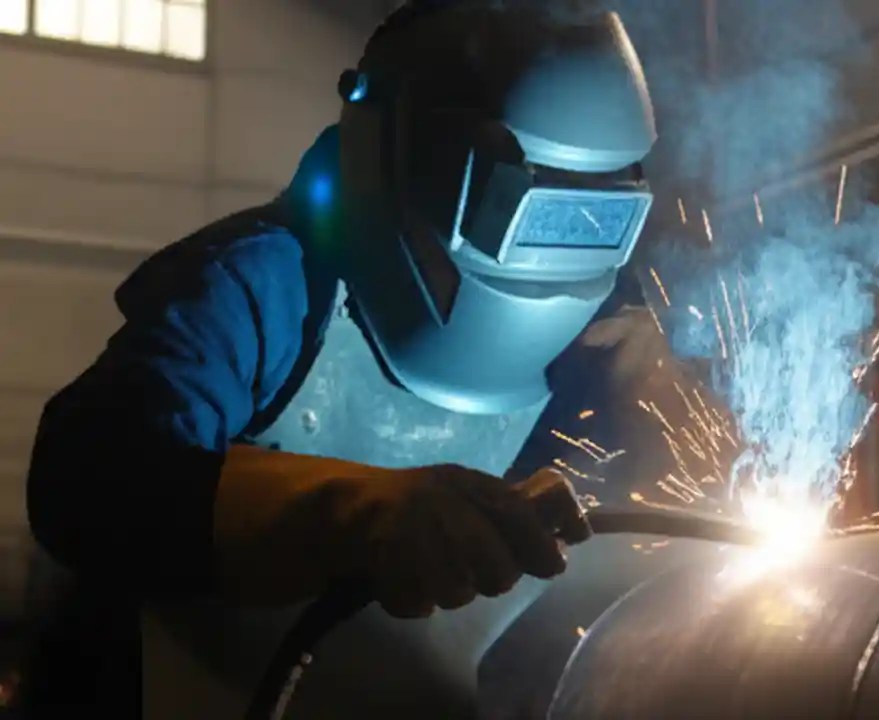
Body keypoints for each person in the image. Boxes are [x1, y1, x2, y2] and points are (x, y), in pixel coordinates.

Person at [21, 1, 678, 715]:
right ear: (404, 164)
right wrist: (352, 510)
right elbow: (86, 475)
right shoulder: (267, 286)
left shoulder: (600, 344)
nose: (554, 259)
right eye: (522, 208)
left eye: (594, 216)